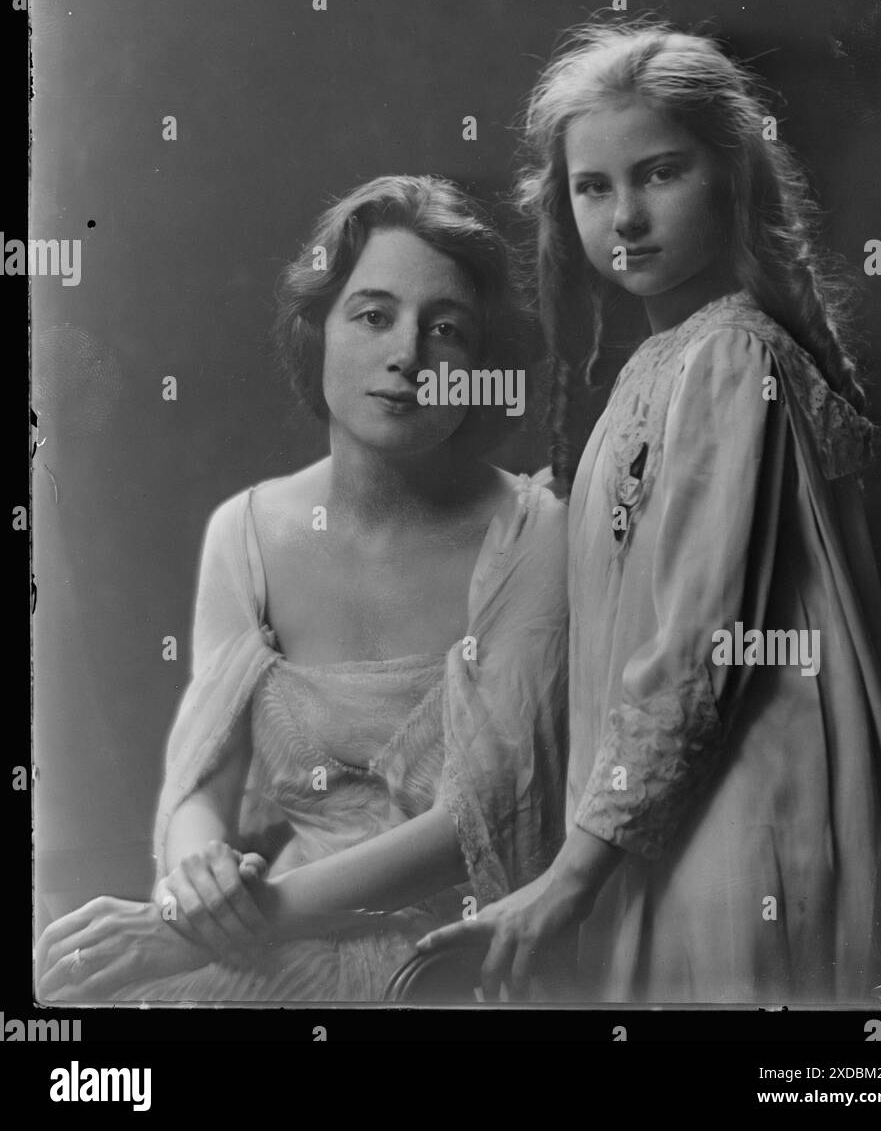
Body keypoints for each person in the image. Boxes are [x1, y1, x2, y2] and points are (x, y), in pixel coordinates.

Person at [418, 19, 881, 1005]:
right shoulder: (665, 361)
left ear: (732, 176)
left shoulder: (733, 357)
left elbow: (701, 649)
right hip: (668, 825)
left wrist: (574, 874)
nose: (627, 217)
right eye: (594, 186)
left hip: (748, 821)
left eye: (660, 173)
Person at [35, 175, 568, 1003]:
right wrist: (196, 884)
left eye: (448, 330)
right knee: (70, 1000)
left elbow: (479, 824)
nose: (406, 355)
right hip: (267, 930)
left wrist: (186, 932)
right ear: (317, 329)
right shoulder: (245, 533)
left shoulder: (535, 534)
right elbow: (198, 790)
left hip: (460, 953)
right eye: (372, 314)